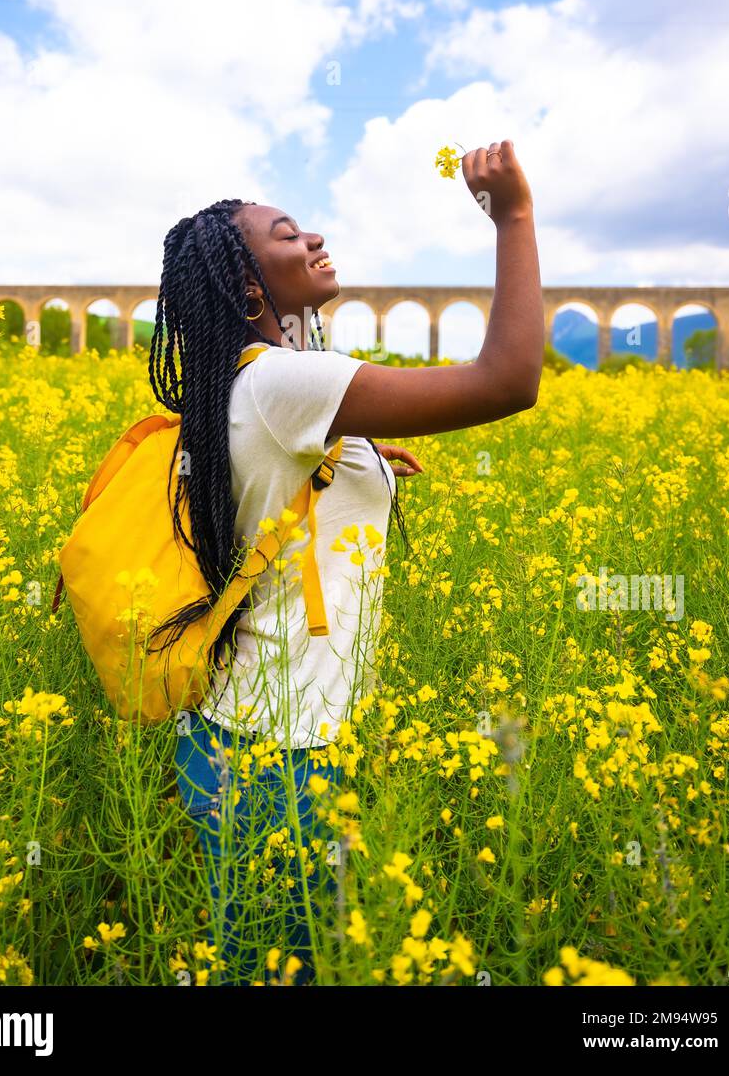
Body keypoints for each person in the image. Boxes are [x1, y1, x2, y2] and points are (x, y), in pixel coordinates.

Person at [147, 139, 543, 985]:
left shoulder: (242, 386)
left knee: (265, 957)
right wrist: (513, 215)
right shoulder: (289, 385)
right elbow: (509, 379)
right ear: (249, 286)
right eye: (287, 233)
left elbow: (268, 480)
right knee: (275, 969)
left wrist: (353, 463)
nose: (314, 236)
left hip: (234, 731)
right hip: (277, 751)